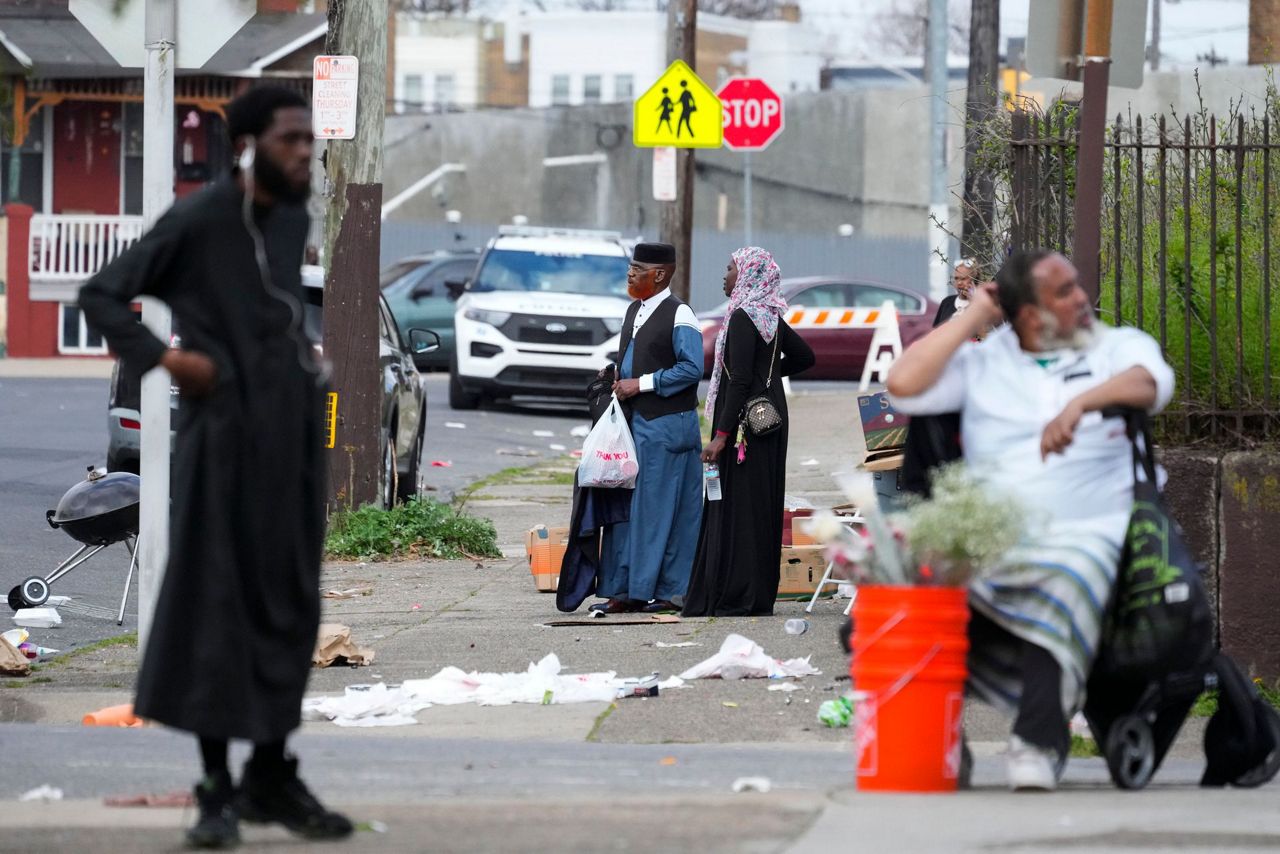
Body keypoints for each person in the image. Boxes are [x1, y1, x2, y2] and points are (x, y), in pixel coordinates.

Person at [78, 86, 352, 848]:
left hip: (290, 442)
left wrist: (300, 351)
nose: (306, 153)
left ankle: (270, 772)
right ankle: (215, 789)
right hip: (223, 442)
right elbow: (102, 295)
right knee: (218, 609)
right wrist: (168, 360)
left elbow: (269, 304)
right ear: (252, 142)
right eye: (292, 139)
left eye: (311, 141)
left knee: (289, 606)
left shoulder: (293, 214)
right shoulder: (201, 219)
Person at [886, 248, 1175, 791]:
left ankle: (1038, 740)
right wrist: (974, 315)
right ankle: (943, 741)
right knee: (892, 600)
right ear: (1029, 315)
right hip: (996, 538)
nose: (1081, 298)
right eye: (1063, 292)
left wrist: (1081, 403)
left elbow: (1148, 384)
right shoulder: (986, 361)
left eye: (1076, 284)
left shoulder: (1115, 346)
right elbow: (901, 383)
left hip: (1092, 530)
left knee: (1058, 572)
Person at [683, 248, 814, 617]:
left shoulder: (743, 317)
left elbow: (738, 380)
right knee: (762, 505)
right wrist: (768, 383)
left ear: (749, 276)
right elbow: (805, 358)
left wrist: (721, 435)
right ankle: (758, 594)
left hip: (743, 429)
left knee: (738, 508)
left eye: (730, 268)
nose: (724, 275)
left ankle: (734, 593)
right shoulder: (770, 316)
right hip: (771, 419)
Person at [591, 242, 704, 614]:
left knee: (661, 512)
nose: (629, 273)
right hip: (633, 424)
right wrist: (616, 373)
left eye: (637, 268)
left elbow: (692, 369)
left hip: (667, 427)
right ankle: (623, 589)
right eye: (630, 266)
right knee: (625, 509)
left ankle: (664, 591)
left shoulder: (680, 313)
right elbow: (639, 357)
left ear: (659, 275)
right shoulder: (633, 310)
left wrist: (640, 383)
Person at [934, 258, 978, 326]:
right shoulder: (947, 302)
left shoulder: (980, 304)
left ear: (974, 280)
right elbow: (935, 329)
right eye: (956, 278)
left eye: (963, 278)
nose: (959, 283)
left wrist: (973, 302)